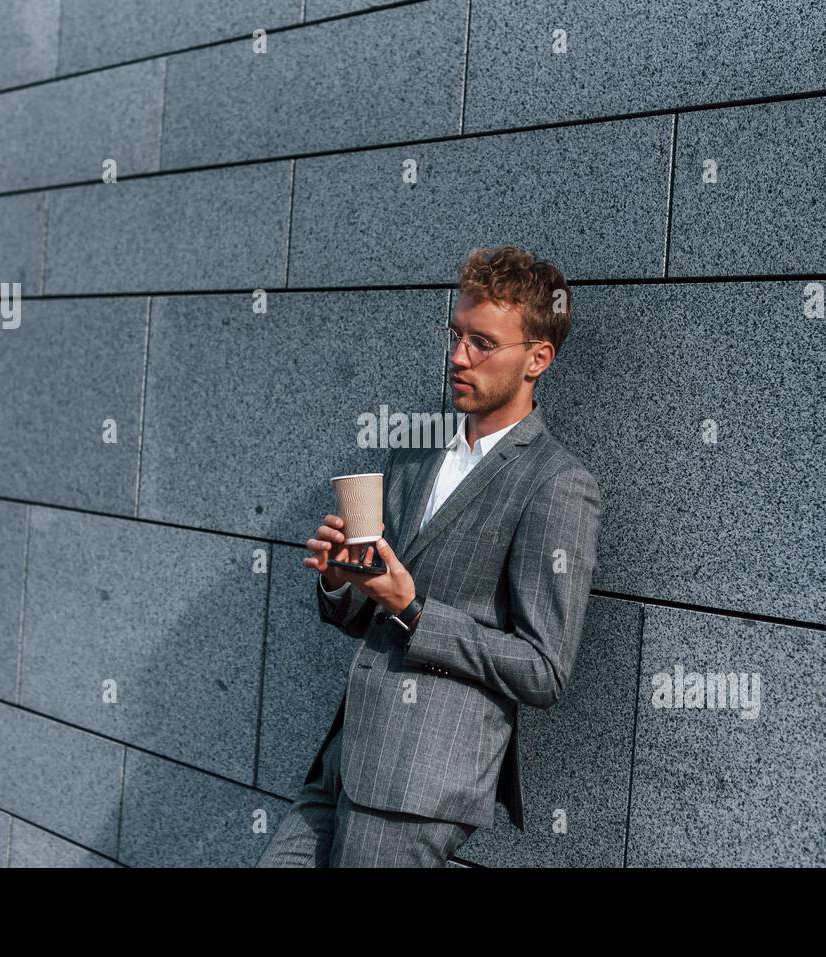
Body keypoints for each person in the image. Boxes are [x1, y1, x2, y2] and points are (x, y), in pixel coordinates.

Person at [256, 245, 602, 867]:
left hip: (418, 784)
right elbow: (372, 612)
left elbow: (545, 670)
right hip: (344, 759)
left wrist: (414, 608)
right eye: (455, 335)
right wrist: (343, 582)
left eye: (482, 343)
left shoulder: (555, 483)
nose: (457, 357)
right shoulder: (416, 456)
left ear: (537, 359)